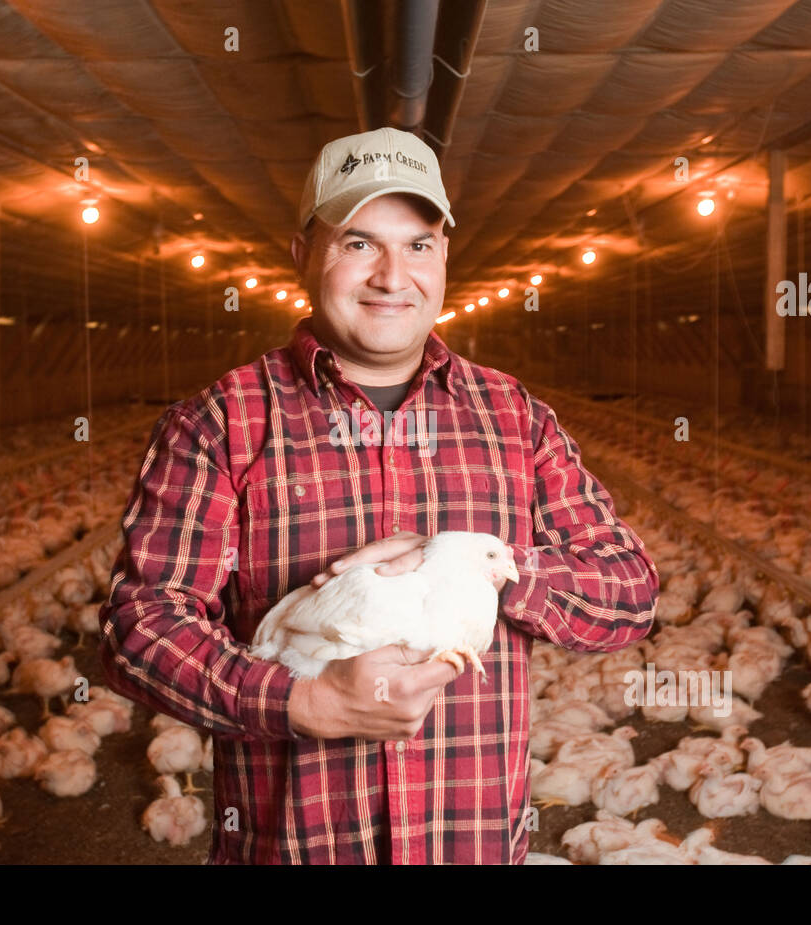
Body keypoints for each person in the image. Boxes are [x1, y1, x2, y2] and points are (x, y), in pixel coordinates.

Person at [99, 126, 659, 864]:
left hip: (474, 847)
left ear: (444, 257)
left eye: (418, 244)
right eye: (358, 243)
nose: (393, 276)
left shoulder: (514, 418)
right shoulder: (223, 422)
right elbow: (138, 628)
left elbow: (631, 593)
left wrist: (474, 562)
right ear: (303, 256)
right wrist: (302, 702)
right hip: (300, 848)